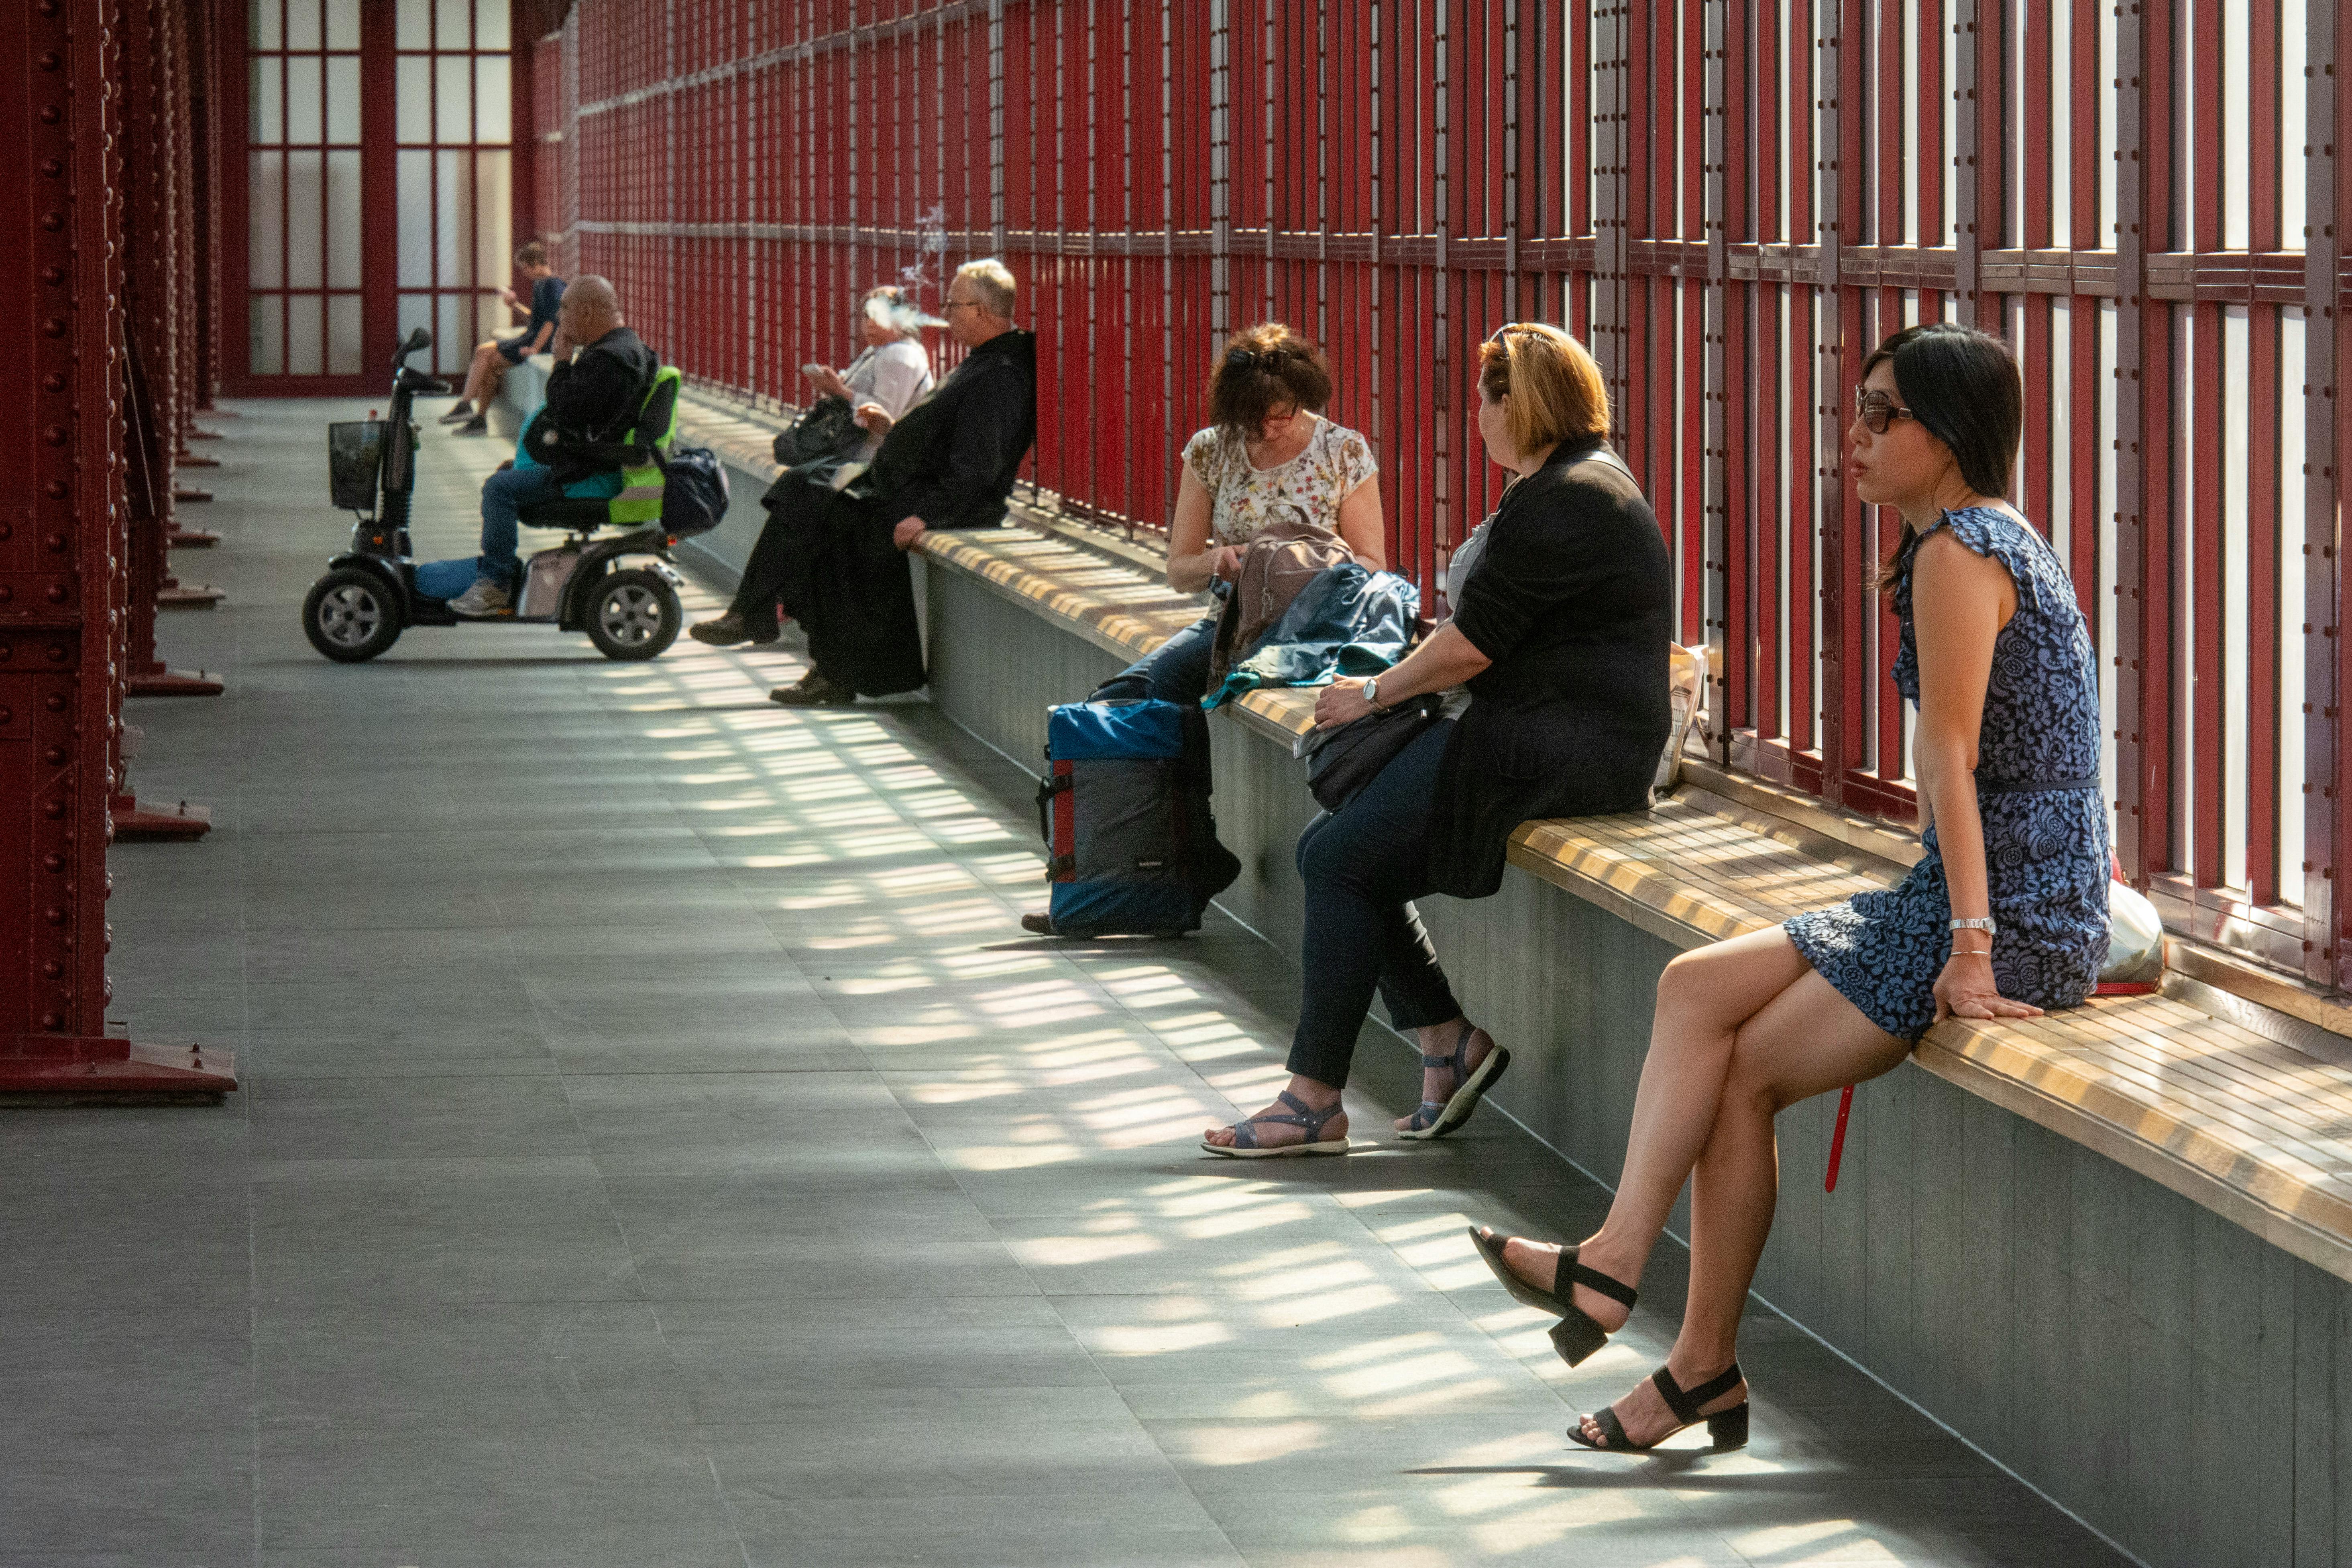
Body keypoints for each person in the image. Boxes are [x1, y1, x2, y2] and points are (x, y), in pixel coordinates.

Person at [1471, 322, 2109, 1455]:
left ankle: (1684, 1350)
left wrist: (1971, 949)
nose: (1853, 434)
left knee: (1737, 1077)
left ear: (1949, 434)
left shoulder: (1961, 553)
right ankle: (1633, 1283)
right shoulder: (1966, 539)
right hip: (1979, 887)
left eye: (1881, 415)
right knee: (1692, 990)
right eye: (1857, 408)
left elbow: (1949, 757)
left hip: (2014, 912)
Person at [1202, 322, 1670, 1155]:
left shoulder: (1568, 498)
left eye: (1482, 402)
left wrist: (1369, 694)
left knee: (1339, 860)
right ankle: (1446, 1044)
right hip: (1551, 729)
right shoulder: (1573, 480)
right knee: (1333, 854)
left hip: (1561, 744)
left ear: (1514, 405)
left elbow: (1475, 641)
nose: (1474, 419)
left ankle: (1315, 1100)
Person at [1018, 321, 1385, 936]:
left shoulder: (1341, 451)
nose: (1271, 428)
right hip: (1231, 620)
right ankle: (1147, 871)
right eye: (1255, 419)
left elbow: (1373, 562)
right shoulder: (1210, 450)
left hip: (1311, 627)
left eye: (1283, 413)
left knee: (1161, 686)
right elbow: (1178, 567)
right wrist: (1220, 560)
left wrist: (1299, 562)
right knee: (1114, 706)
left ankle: (1183, 861)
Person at [744, 259, 1038, 706]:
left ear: (980, 311)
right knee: (803, 489)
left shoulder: (999, 373)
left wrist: (927, 515)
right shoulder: (986, 361)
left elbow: (978, 463)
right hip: (915, 483)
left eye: (953, 305)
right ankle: (769, 621)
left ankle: (812, 651)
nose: (946, 313)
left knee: (835, 516)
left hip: (942, 499)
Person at [688, 285, 937, 646]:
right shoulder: (879, 352)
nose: (869, 325)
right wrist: (837, 388)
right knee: (795, 496)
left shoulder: (900, 356)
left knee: (796, 496)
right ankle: (753, 610)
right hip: (860, 463)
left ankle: (752, 612)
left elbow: (883, 418)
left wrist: (843, 392)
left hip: (875, 467)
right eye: (865, 316)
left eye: (879, 317)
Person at [447, 276, 656, 616]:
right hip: (593, 463)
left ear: (586, 312)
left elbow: (565, 413)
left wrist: (560, 362)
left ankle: (495, 584)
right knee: (509, 475)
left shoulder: (609, 359)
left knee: (499, 489)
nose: (559, 317)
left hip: (588, 476)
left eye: (564, 308)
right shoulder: (627, 348)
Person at [441, 242, 566, 433]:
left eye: (525, 268)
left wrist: (535, 349)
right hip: (532, 336)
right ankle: (478, 418)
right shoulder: (541, 284)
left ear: (535, 264)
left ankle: (467, 405)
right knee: (488, 364)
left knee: (483, 352)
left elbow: (551, 321)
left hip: (538, 341)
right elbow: (535, 319)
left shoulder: (552, 285)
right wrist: (514, 305)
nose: (524, 273)